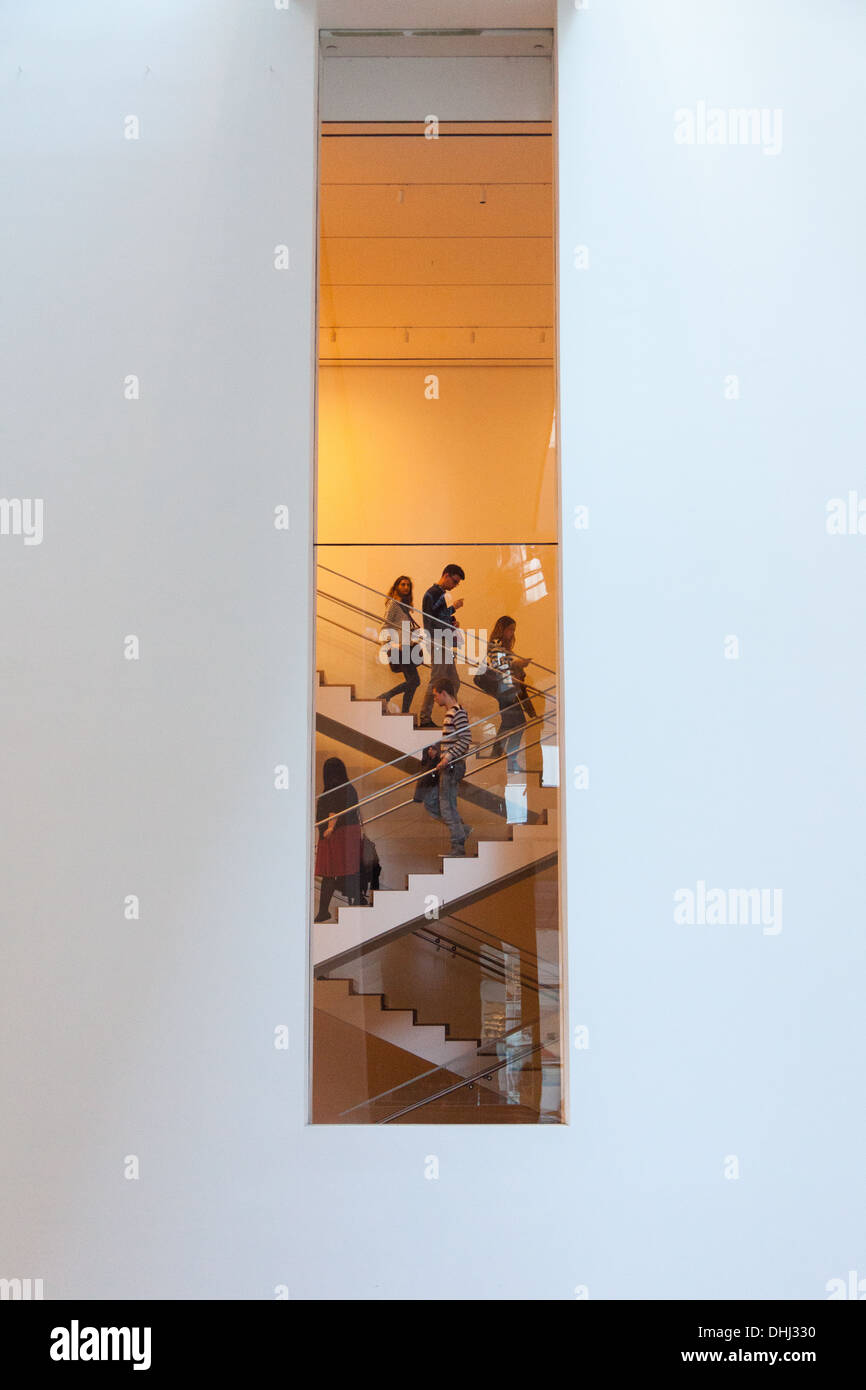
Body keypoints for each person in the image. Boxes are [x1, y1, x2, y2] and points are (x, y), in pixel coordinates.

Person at [417, 678, 473, 856]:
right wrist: (439, 750)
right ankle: (461, 829)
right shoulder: (452, 713)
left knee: (447, 806)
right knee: (433, 803)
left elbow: (465, 739)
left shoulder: (457, 712)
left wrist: (447, 757)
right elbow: (455, 740)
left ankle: (458, 846)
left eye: (435, 695)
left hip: (452, 766)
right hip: (449, 765)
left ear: (444, 693)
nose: (434, 699)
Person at [314, 756, 363, 922]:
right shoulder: (349, 788)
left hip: (334, 836)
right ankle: (355, 904)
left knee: (329, 875)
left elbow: (330, 814)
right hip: (346, 834)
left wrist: (328, 829)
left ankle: (323, 911)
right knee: (348, 871)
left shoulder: (331, 790)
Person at [417, 563, 466, 728]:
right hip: (437, 640)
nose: (455, 586)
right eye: (454, 581)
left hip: (441, 639)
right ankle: (424, 717)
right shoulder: (433, 593)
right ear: (446, 575)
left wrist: (451, 622)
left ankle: (453, 715)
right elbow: (433, 618)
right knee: (437, 678)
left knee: (454, 681)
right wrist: (454, 608)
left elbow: (440, 616)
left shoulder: (438, 593)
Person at [484, 615, 530, 772]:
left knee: (509, 722)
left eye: (513, 630)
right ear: (502, 629)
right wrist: (517, 665)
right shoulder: (497, 645)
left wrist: (516, 665)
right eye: (510, 629)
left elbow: (503, 666)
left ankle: (499, 753)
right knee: (518, 723)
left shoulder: (500, 645)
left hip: (506, 689)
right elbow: (501, 668)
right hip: (505, 689)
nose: (512, 633)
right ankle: (507, 757)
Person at [377, 575, 422, 714]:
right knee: (414, 681)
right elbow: (384, 628)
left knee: (412, 682)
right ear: (396, 586)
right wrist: (394, 645)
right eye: (403, 584)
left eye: (408, 585)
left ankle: (405, 711)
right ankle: (385, 696)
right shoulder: (393, 604)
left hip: (407, 648)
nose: (406, 587)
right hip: (400, 649)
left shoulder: (404, 607)